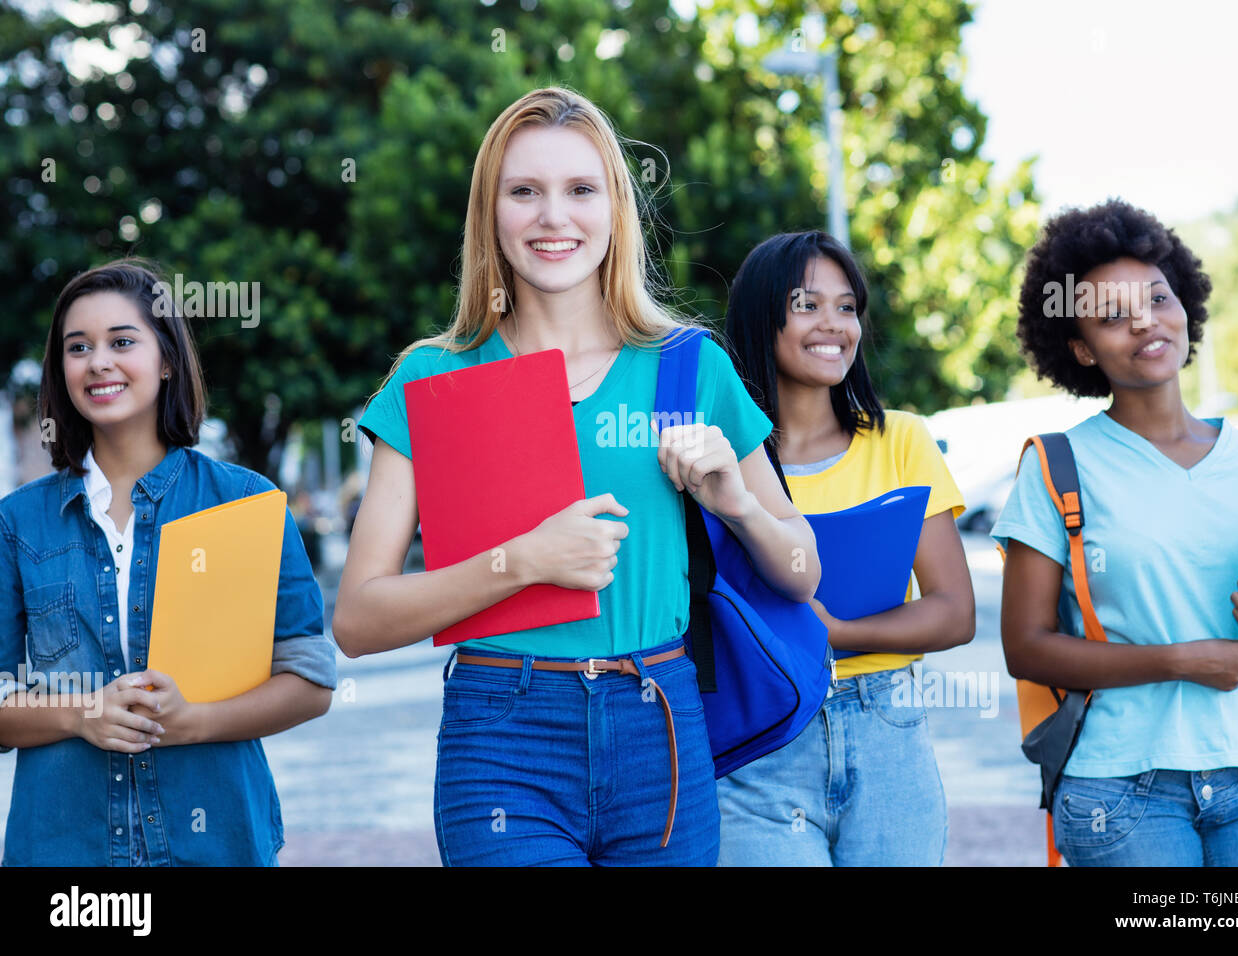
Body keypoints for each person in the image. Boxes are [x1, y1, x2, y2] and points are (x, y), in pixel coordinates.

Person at [331, 86, 820, 867]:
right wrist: (521, 562)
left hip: (659, 727)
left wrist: (739, 508)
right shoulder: (435, 380)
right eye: (524, 191)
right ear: (491, 214)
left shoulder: (690, 368)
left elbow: (801, 571)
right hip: (502, 735)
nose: (553, 216)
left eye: (580, 190)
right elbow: (357, 621)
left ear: (615, 210)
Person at [0, 258, 337, 866]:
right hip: (66, 859)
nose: (98, 361)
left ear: (167, 359)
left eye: (121, 341)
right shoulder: (18, 521)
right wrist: (83, 715)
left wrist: (193, 721)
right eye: (78, 348)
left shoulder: (247, 501)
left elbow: (309, 680)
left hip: (216, 846)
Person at [993, 199, 1238, 866]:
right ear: (1080, 348)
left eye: (1157, 297)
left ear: (1183, 304)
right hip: (1120, 789)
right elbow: (1026, 648)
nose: (1143, 321)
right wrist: (1179, 660)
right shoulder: (1055, 466)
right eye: (1110, 315)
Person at [717, 231, 975, 865]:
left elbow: (954, 611)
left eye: (847, 307)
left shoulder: (903, 441)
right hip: (762, 736)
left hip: (886, 723)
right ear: (762, 317)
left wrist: (838, 630)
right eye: (806, 304)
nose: (833, 324)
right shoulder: (718, 459)